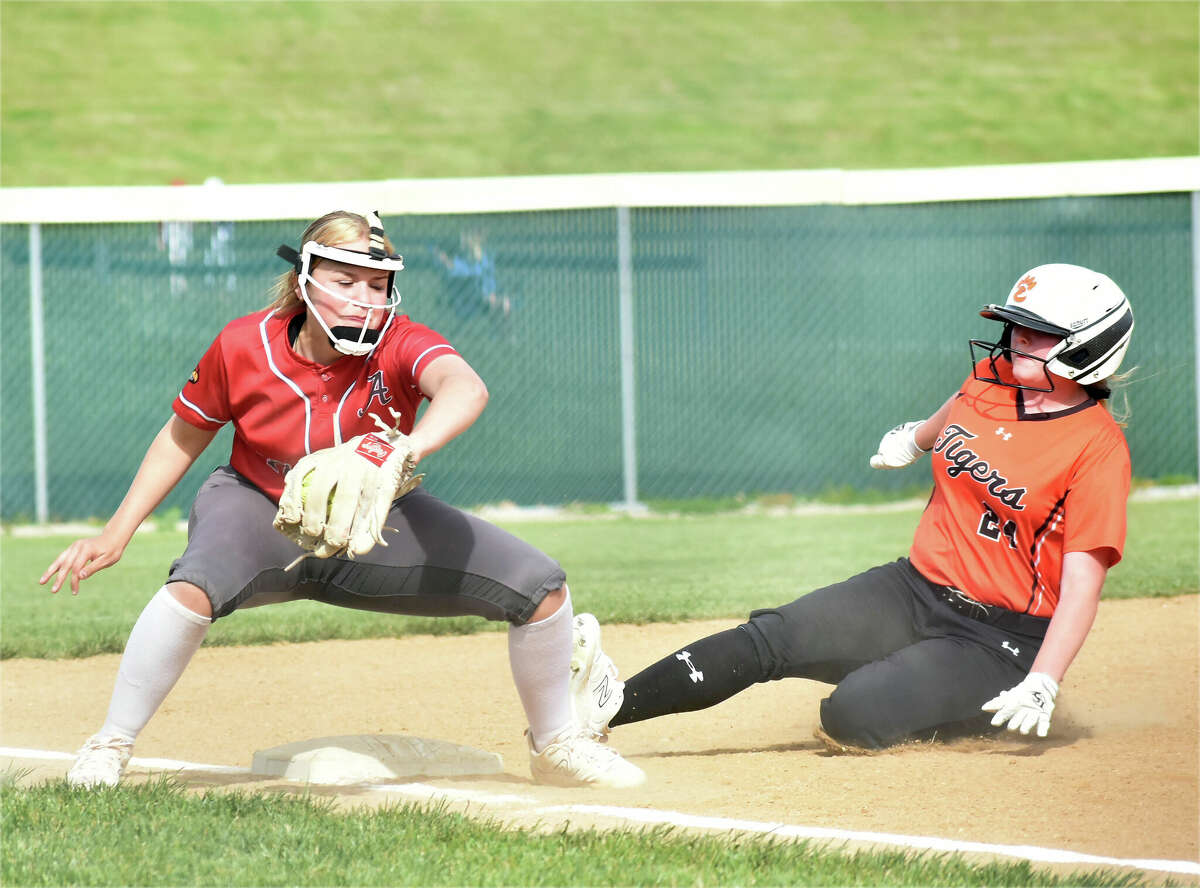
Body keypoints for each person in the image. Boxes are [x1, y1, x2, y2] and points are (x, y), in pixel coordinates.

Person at [41, 210, 644, 790]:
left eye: (378, 284)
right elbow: (185, 434)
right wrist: (115, 532)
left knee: (542, 589)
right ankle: (110, 744)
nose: (364, 297)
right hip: (259, 507)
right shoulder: (243, 343)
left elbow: (464, 387)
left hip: (379, 524)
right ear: (304, 281)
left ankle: (557, 746)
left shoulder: (399, 340)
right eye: (345, 280)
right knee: (191, 589)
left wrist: (406, 448)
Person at [569, 263, 1135, 753]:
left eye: (1034, 333)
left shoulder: (1097, 448)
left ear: (1086, 346)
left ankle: (973, 709)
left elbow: (1082, 590)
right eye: (1014, 326)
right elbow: (953, 415)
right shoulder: (989, 378)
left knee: (852, 714)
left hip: (997, 640)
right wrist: (915, 439)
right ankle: (602, 711)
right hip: (912, 590)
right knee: (771, 636)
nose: (1014, 340)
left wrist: (1044, 679)